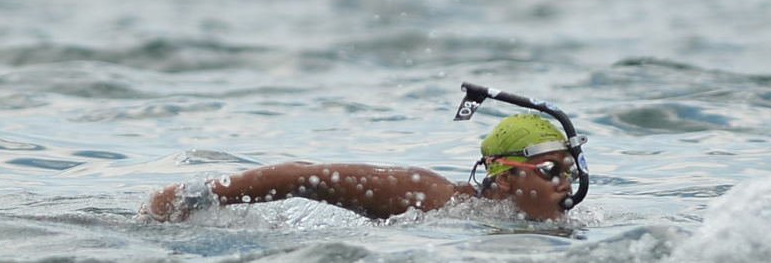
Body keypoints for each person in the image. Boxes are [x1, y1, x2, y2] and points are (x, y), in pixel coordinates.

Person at [144, 114, 579, 222]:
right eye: (552, 171)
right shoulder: (430, 198)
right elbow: (305, 176)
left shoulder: (560, 231)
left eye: (571, 173)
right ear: (504, 179)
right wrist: (198, 196)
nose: (566, 185)